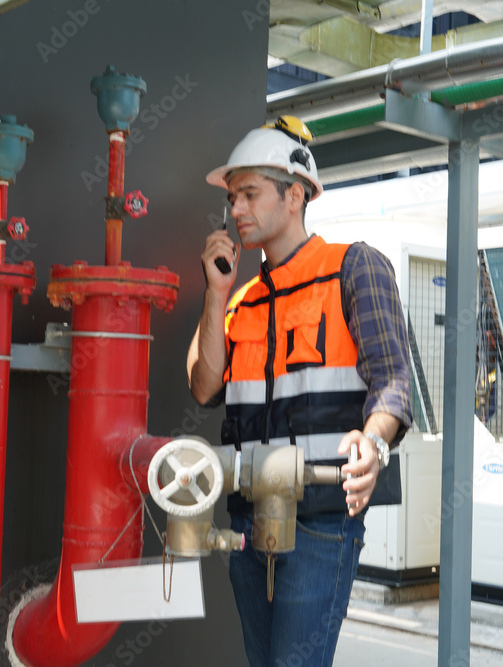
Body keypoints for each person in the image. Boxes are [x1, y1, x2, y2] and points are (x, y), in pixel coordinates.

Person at [186, 116, 413, 667]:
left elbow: (394, 383)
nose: (236, 209)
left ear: (295, 195)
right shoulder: (239, 301)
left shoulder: (354, 267)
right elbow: (203, 386)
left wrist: (374, 440)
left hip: (320, 524)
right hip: (246, 521)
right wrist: (215, 294)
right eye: (233, 197)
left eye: (249, 194)